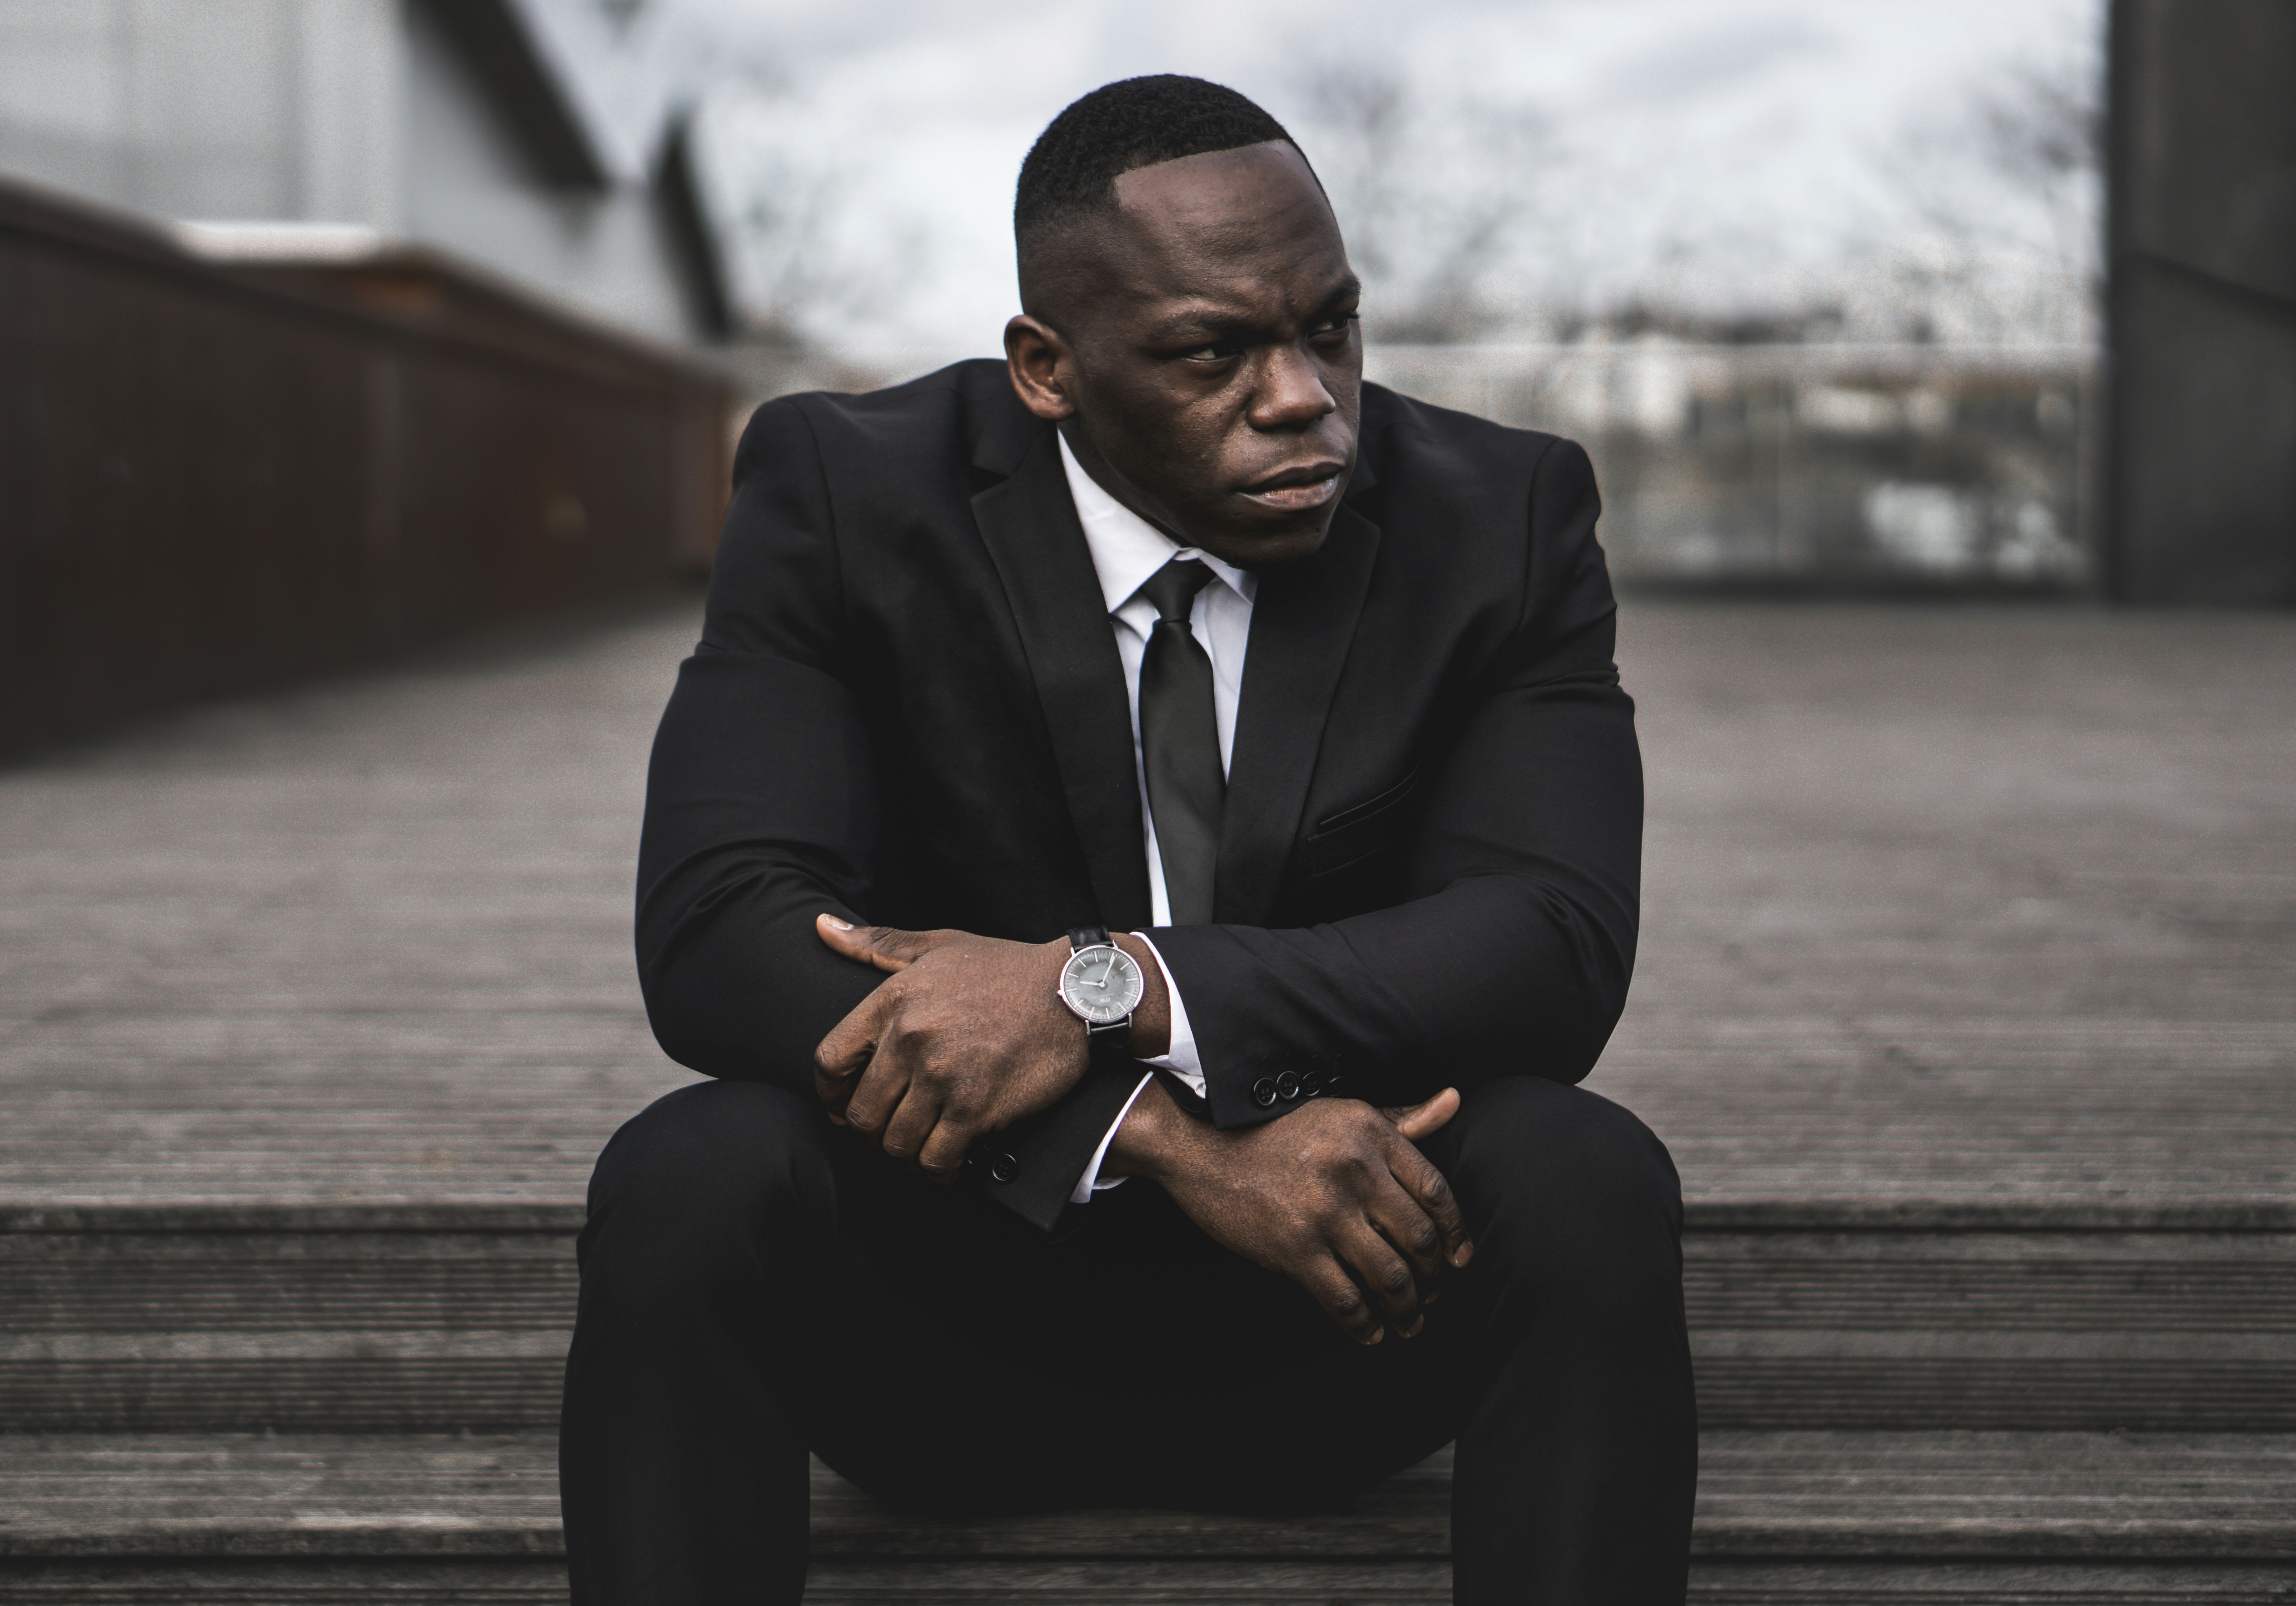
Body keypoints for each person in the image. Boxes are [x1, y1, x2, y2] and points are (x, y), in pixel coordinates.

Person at [559, 74, 1696, 1605]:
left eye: (1331, 328)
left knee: (1583, 1169)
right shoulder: (848, 495)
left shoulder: (1498, 518)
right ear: (1047, 366)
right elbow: (719, 930)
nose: (1302, 397)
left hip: (1343, 1294)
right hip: (942, 1326)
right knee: (692, 1169)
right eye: (1214, 352)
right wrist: (1153, 1133)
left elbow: (1549, 942)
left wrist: (1107, 983)